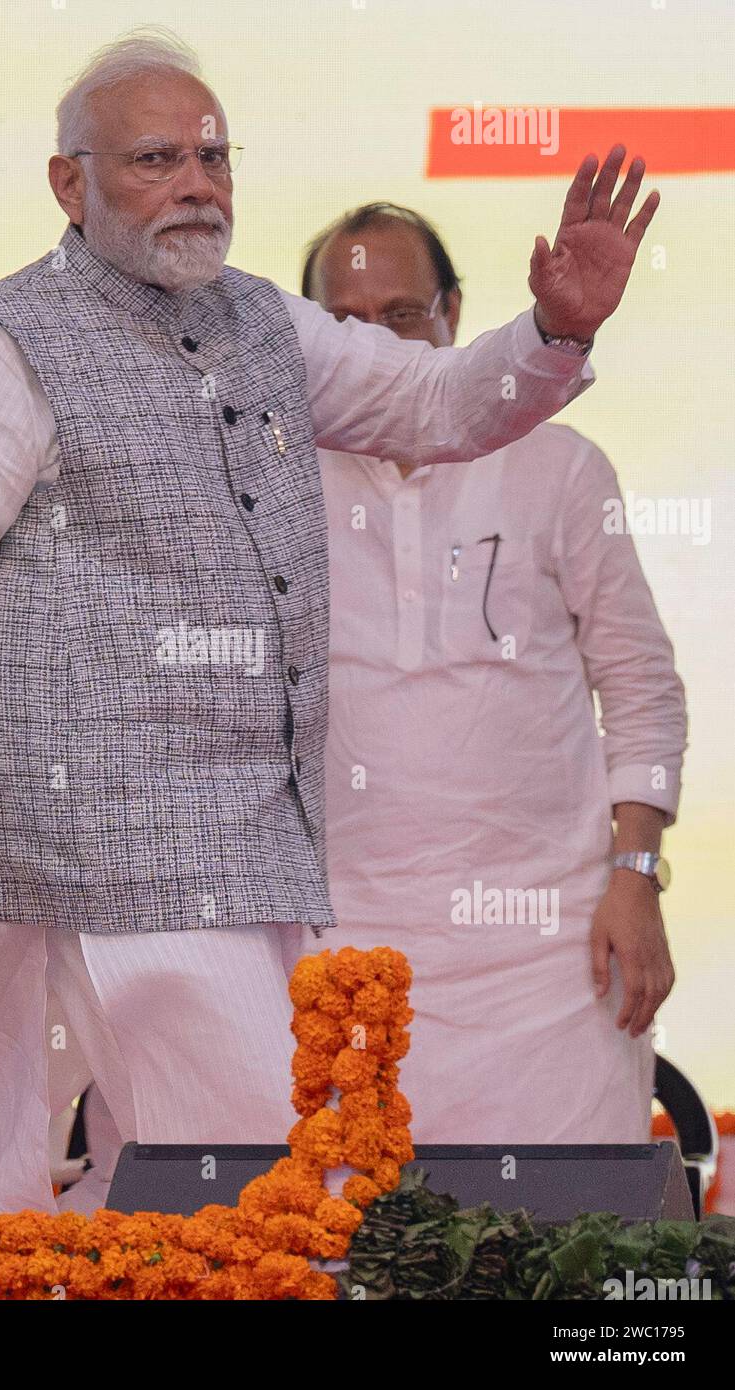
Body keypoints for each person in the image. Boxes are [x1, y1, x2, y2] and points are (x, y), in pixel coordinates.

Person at [0, 29, 660, 1214]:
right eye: (155, 159)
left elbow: (429, 403)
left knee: (176, 1209)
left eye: (213, 157)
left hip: (262, 864)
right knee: (255, 1208)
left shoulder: (263, 322)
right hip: (108, 872)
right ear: (68, 184)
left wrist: (552, 335)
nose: (196, 186)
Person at [297, 201, 687, 1141]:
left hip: (549, 962)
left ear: (454, 314)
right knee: (348, 1264)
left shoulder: (557, 468)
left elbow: (639, 685)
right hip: (333, 958)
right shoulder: (267, 488)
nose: (375, 343)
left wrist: (635, 874)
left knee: (559, 1258)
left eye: (400, 313)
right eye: (342, 322)